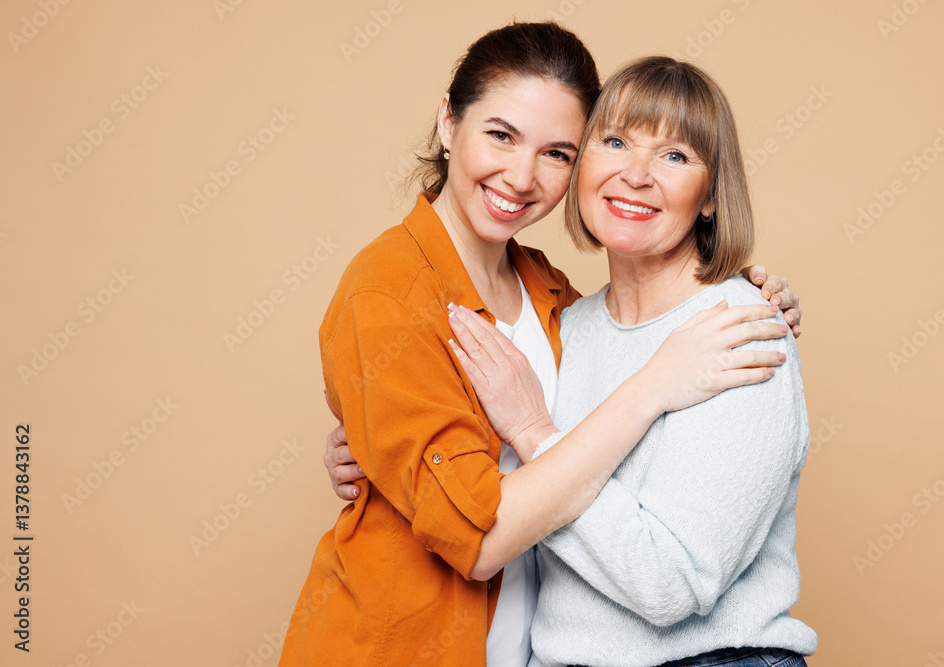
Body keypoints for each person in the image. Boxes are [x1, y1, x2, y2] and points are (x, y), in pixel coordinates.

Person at [282, 23, 801, 667]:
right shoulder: (386, 292)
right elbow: (475, 532)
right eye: (500, 135)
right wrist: (654, 386)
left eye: (557, 151)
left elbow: (585, 398)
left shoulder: (551, 293)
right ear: (448, 122)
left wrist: (739, 291)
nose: (521, 176)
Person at [439, 56, 817, 666]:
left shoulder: (737, 331)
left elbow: (671, 584)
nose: (635, 174)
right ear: (582, 164)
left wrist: (539, 434)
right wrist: (375, 452)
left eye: (675, 156)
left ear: (713, 195)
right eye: (614, 142)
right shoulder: (566, 323)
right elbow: (509, 505)